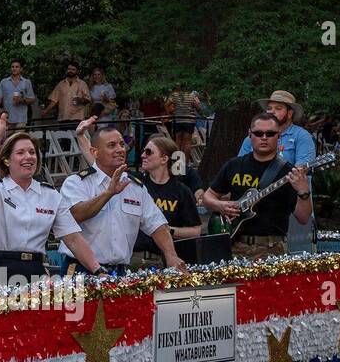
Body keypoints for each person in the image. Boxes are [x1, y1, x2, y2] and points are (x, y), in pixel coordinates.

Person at [0, 104, 104, 286]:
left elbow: (73, 238)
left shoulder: (51, 195)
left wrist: (98, 270)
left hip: (36, 268)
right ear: (6, 160)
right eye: (20, 153)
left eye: (32, 152)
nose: (28, 157)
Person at [60, 120, 187, 274]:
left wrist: (171, 255)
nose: (120, 149)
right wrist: (108, 193)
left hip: (119, 272)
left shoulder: (134, 186)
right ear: (94, 152)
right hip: (80, 270)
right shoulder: (77, 183)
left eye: (121, 144)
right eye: (111, 145)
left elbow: (157, 224)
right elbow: (75, 215)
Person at [203, 111, 312, 258]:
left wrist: (303, 192)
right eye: (259, 133)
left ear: (278, 136)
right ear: (250, 134)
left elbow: (303, 218)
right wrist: (220, 206)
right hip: (233, 245)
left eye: (270, 133)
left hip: (272, 249)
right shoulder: (234, 165)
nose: (264, 138)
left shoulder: (288, 173)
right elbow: (208, 196)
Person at [132, 135, 203, 257]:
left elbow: (196, 231)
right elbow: (102, 170)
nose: (143, 155)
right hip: (134, 257)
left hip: (164, 258)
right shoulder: (135, 183)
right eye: (143, 151)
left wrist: (167, 230)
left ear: (164, 159)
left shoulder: (181, 191)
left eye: (148, 152)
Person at [234, 91, 317, 172]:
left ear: (290, 114)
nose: (272, 111)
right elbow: (238, 167)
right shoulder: (253, 137)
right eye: (269, 108)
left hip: (288, 185)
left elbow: (301, 170)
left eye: (278, 108)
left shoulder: (302, 136)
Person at [0, 60, 36, 127]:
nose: (14, 68)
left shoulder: (26, 82)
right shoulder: (4, 82)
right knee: (7, 137)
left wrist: (22, 100)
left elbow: (32, 99)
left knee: (19, 137)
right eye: (12, 67)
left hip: (21, 118)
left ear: (21, 69)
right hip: (7, 118)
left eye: (17, 67)